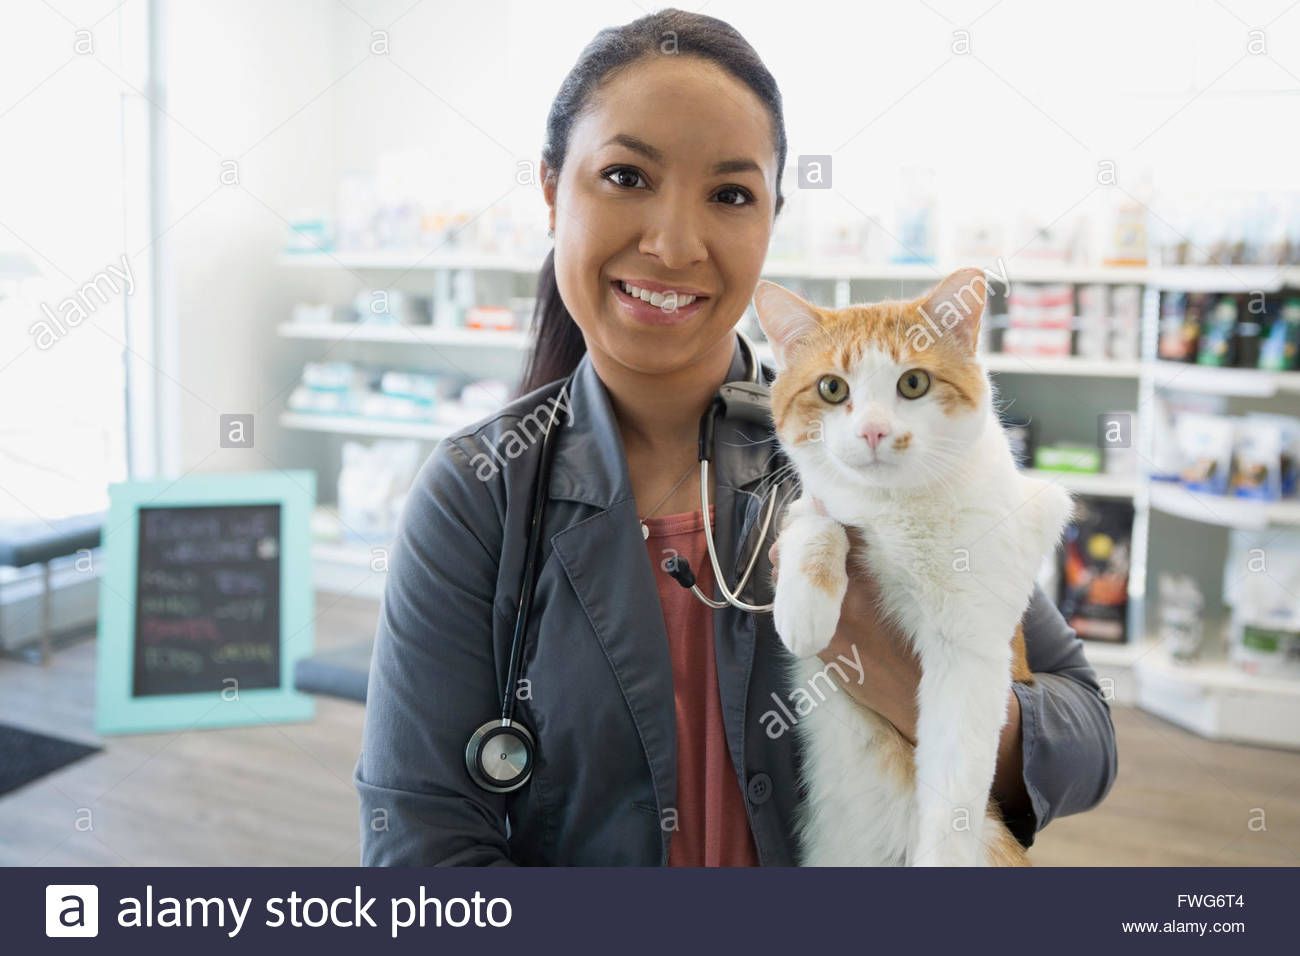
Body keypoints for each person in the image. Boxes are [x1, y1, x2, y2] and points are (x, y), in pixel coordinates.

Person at [353, 8, 1117, 866]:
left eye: (729, 194)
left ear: (770, 221)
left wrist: (906, 678)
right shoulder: (478, 493)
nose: (674, 243)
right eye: (625, 176)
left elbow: (1087, 743)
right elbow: (420, 851)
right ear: (549, 190)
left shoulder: (860, 459)